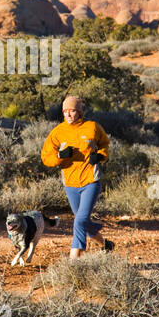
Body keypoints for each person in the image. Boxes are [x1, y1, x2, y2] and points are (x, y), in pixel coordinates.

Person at [41, 95, 113, 259]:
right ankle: (106, 245)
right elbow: (46, 157)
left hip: (90, 181)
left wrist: (101, 156)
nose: (68, 114)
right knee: (83, 223)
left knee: (79, 221)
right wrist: (60, 155)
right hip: (70, 184)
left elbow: (105, 144)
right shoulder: (58, 131)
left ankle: (74, 261)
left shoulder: (92, 127)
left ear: (79, 112)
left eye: (72, 111)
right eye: (65, 111)